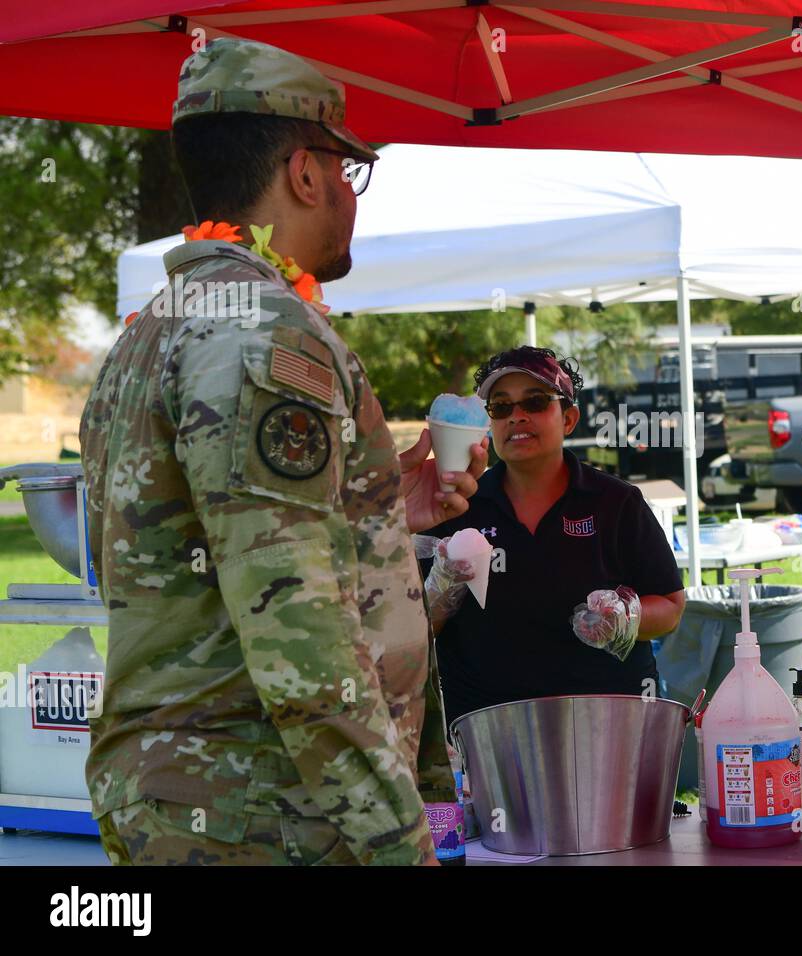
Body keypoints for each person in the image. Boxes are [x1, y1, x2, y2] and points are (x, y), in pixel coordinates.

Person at [79, 37, 485, 866]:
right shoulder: (264, 330)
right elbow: (295, 629)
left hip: (199, 797)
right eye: (345, 171)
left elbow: (187, 556)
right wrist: (401, 844)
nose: (347, 193)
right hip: (263, 810)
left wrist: (372, 522)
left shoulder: (151, 330)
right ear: (305, 172)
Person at [420, 347, 687, 725]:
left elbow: (672, 607)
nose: (517, 416)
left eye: (536, 401)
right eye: (501, 407)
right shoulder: (457, 504)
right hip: (487, 725)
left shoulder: (615, 502)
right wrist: (440, 588)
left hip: (606, 719)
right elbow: (414, 625)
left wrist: (624, 617)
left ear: (569, 418)